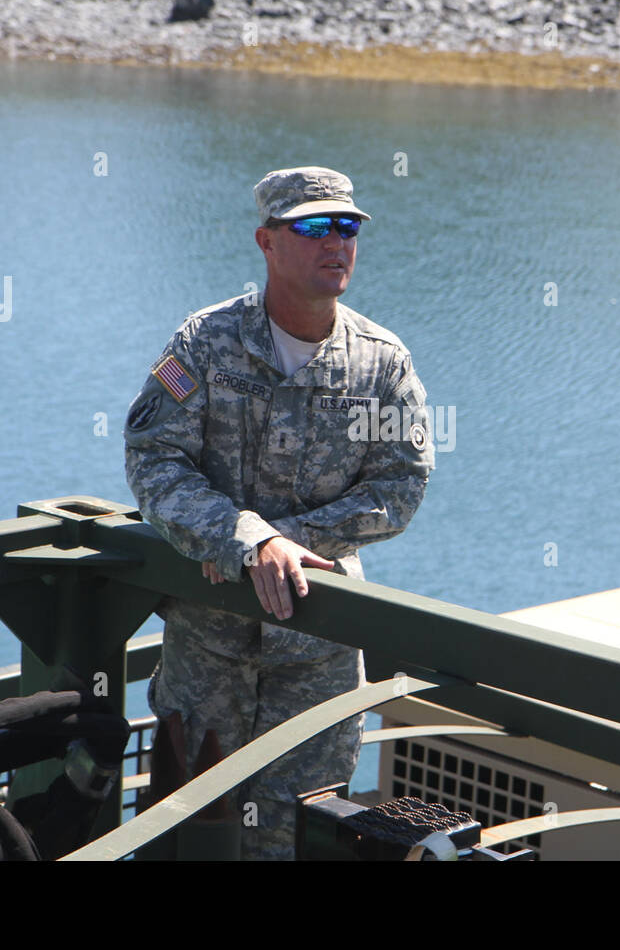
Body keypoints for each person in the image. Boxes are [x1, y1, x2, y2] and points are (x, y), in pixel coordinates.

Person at [124, 166, 434, 858]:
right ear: (267, 242)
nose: (337, 243)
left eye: (348, 227)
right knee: (188, 838)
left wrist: (279, 543)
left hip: (317, 657)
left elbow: (401, 488)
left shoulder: (381, 364)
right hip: (209, 653)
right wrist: (241, 536)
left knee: (301, 843)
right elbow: (154, 461)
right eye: (315, 227)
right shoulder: (204, 343)